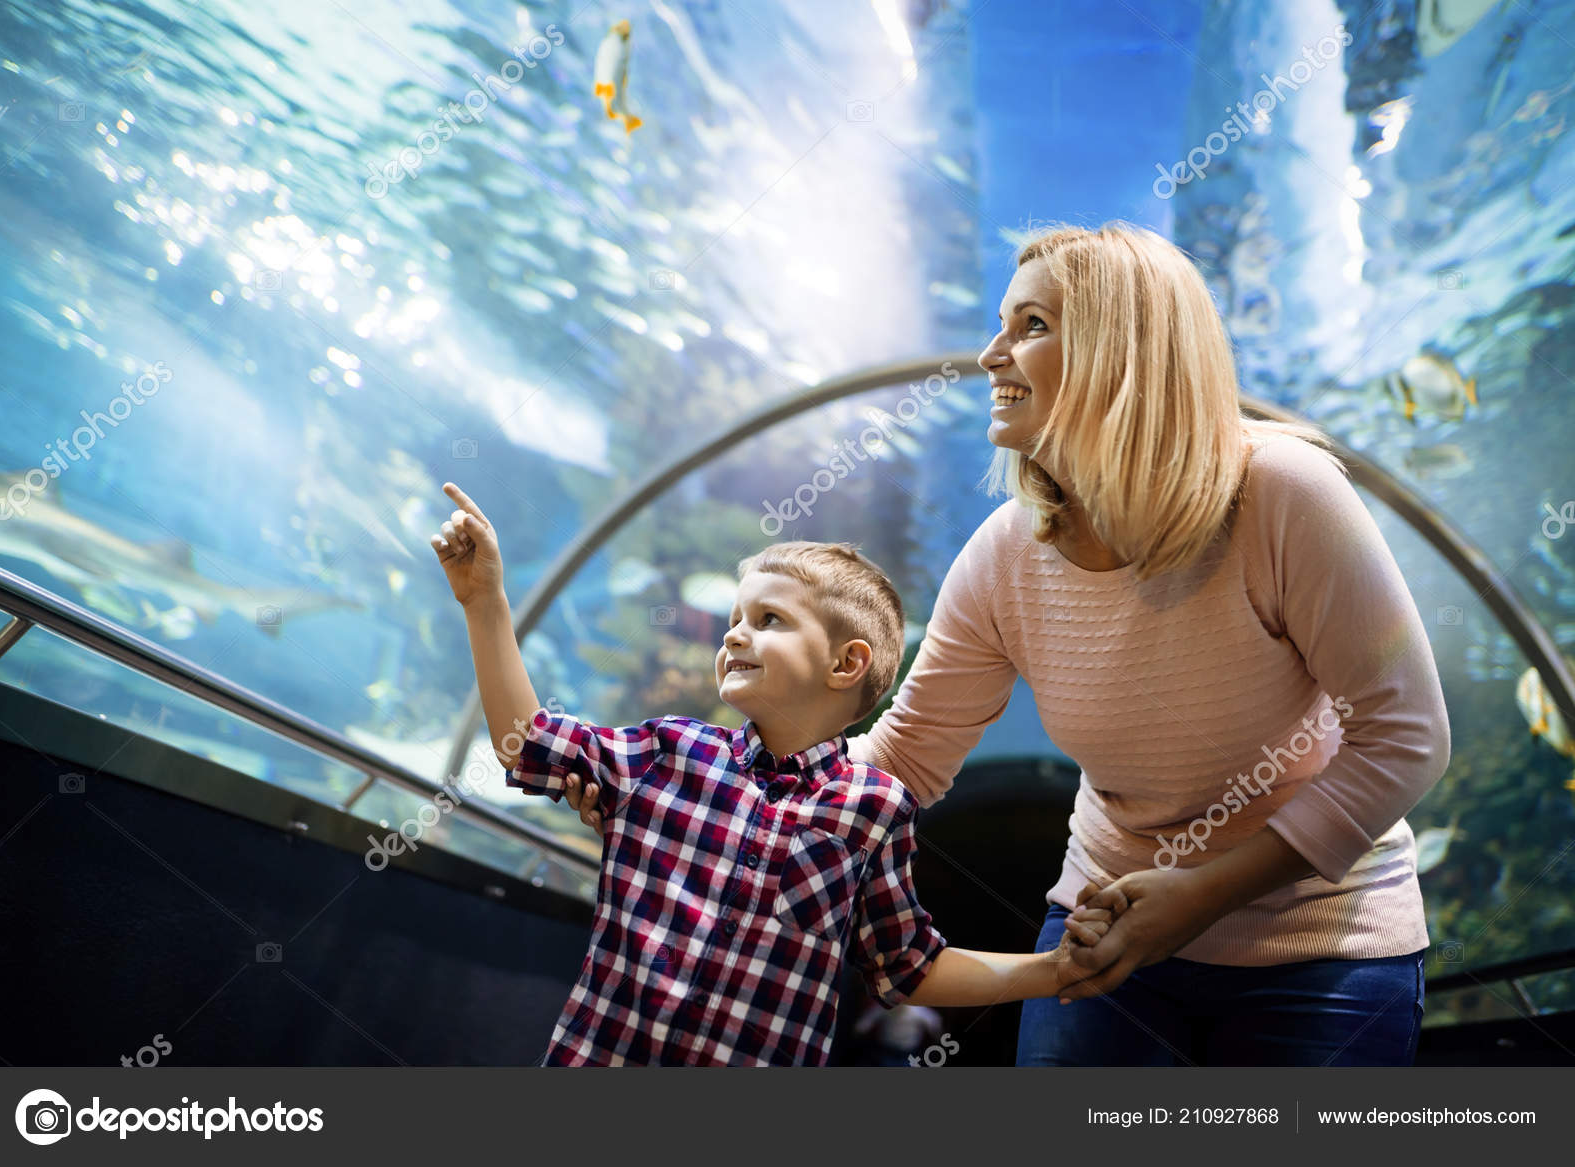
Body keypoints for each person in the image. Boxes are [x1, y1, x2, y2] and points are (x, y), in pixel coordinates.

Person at [558, 221, 1451, 1067]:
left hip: (1325, 944)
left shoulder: (1284, 494)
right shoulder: (1005, 553)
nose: (989, 356)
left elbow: (1406, 736)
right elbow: (900, 758)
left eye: (1031, 326)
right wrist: (703, 811)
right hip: (1108, 939)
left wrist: (1201, 893)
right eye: (1000, 325)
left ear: (1121, 351)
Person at [430, 484, 1124, 1066]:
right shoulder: (669, 750)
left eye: (767, 619)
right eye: (733, 619)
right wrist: (485, 602)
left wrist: (1052, 969)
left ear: (846, 664)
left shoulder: (873, 806)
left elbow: (907, 964)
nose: (733, 633)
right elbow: (529, 746)